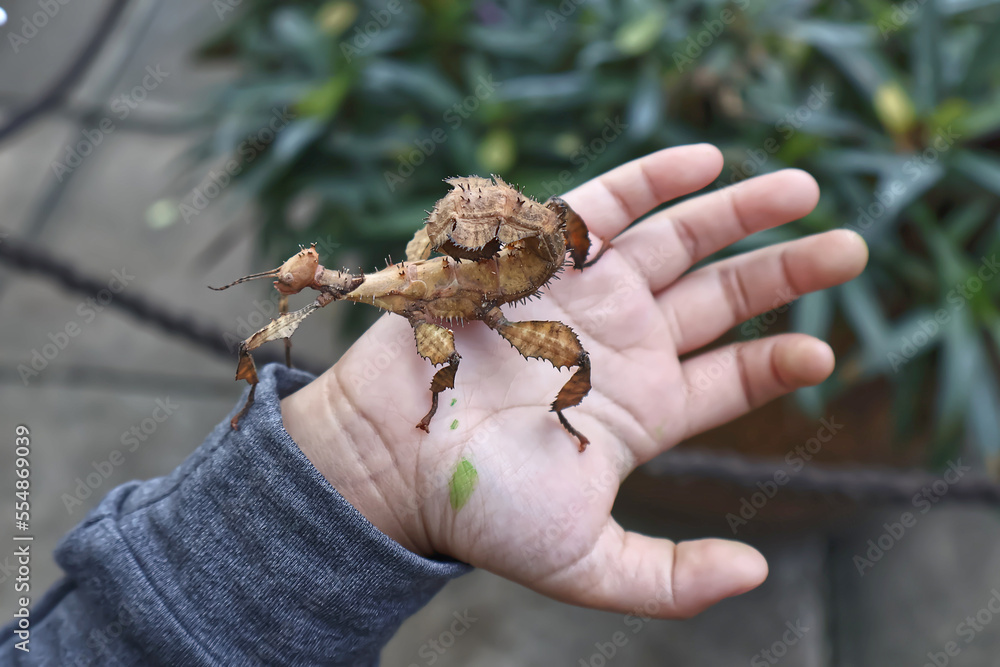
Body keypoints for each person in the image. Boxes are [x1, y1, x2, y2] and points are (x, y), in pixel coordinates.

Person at [2, 145, 868, 665]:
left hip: (487, 286)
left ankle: (550, 400)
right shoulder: (419, 289)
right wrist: (360, 469)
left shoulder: (462, 272)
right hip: (459, 288)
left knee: (513, 344)